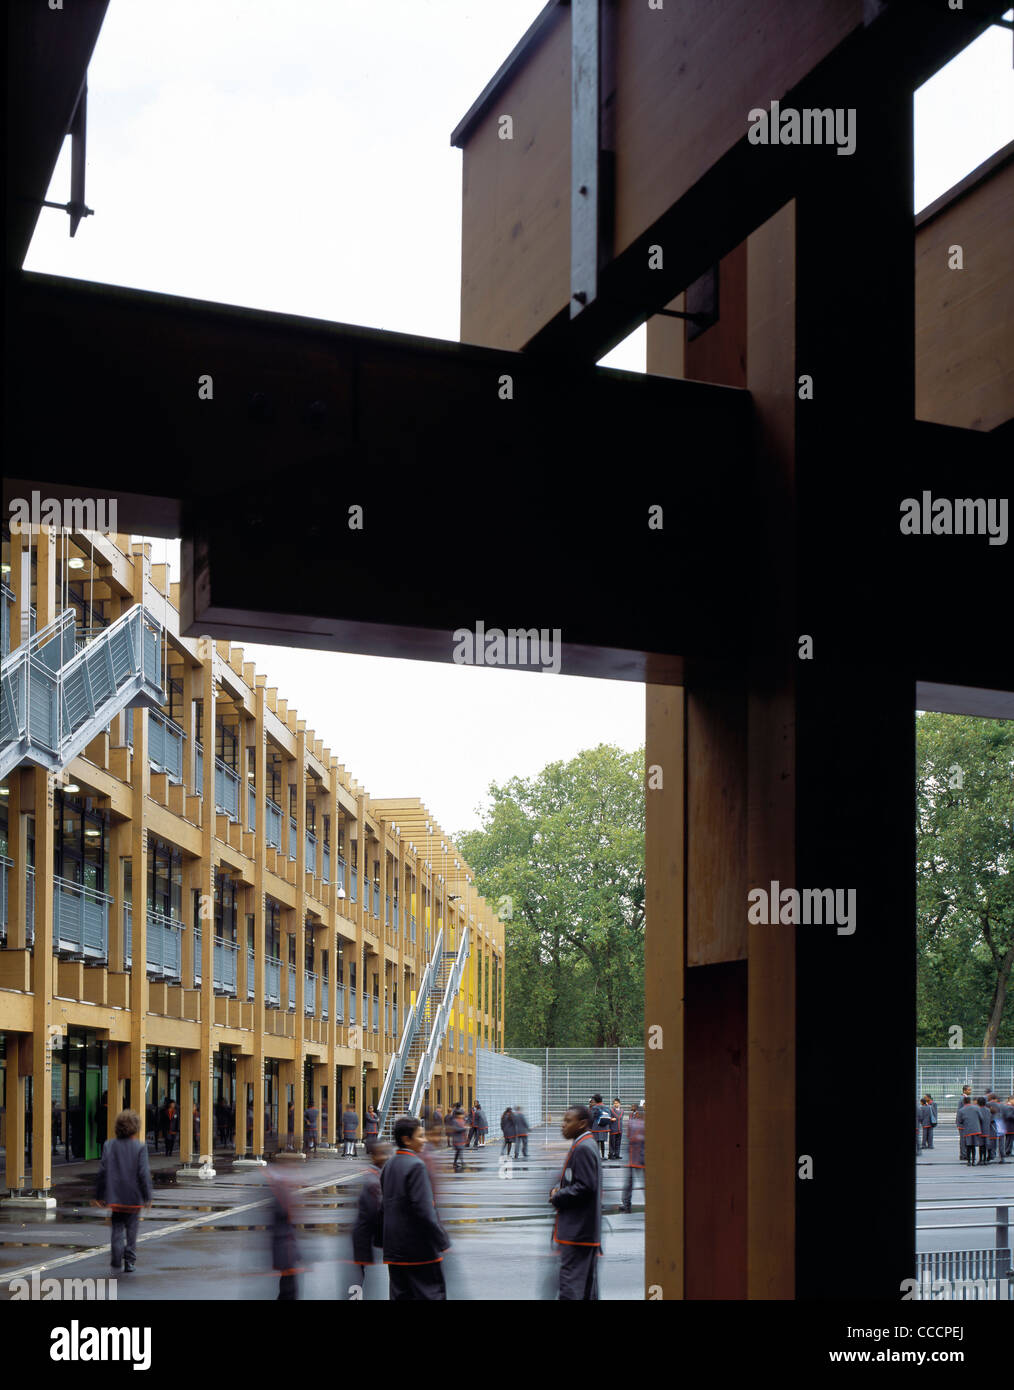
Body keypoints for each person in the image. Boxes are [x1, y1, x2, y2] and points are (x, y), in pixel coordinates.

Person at [380, 1115, 450, 1300]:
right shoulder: (416, 1166)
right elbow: (425, 1210)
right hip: (419, 1249)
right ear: (406, 1139)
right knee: (429, 1294)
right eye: (420, 1136)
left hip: (394, 1249)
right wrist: (441, 1240)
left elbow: (383, 1207)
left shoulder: (388, 1166)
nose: (424, 1140)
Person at [549, 1104, 603, 1300]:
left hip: (577, 1234)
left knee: (571, 1288)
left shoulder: (583, 1148)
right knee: (586, 1289)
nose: (562, 1125)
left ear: (582, 1124)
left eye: (568, 1121)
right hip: (584, 1233)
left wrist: (558, 1196)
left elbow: (585, 1187)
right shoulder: (585, 1144)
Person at [95, 1109, 153, 1274]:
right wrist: (148, 1196)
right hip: (134, 1197)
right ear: (136, 1127)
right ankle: (130, 1261)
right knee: (132, 1229)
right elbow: (143, 1173)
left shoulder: (109, 1145)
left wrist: (99, 1194)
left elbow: (103, 1170)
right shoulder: (140, 1147)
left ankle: (115, 1258)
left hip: (115, 1196)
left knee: (117, 1228)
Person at [351, 1140, 389, 1296]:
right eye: (383, 1153)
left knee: (362, 1279)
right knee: (357, 1283)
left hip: (365, 1237)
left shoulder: (375, 1176)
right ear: (373, 1157)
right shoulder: (373, 1182)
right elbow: (376, 1213)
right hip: (364, 1238)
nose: (387, 1157)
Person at [268, 1171, 301, 1300]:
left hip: (286, 1250)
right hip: (285, 1251)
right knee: (289, 1290)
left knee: (287, 1288)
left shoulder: (281, 1195)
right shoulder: (281, 1197)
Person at [621, 1105, 645, 1212]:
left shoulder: (631, 1123)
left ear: (637, 1114)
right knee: (646, 1183)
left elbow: (628, 1138)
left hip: (632, 1156)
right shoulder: (648, 1124)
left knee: (629, 1183)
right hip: (643, 1157)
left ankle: (626, 1204)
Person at [589, 1094, 611, 1159]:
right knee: (602, 1142)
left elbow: (591, 1117)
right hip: (604, 1128)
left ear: (595, 1100)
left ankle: (597, 1156)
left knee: (597, 1142)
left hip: (596, 1127)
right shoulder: (606, 1107)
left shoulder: (594, 1108)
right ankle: (603, 1156)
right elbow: (609, 1115)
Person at [450, 1105, 467, 1172]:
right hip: (456, 1139)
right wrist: (463, 1129)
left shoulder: (462, 1120)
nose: (463, 1116)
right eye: (461, 1114)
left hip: (461, 1138)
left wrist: (466, 1138)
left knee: (458, 1151)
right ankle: (462, 1162)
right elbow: (455, 1129)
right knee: (460, 1150)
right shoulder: (455, 1121)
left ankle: (455, 1162)